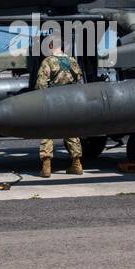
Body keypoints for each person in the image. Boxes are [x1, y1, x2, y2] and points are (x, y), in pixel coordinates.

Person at [35, 45, 84, 177]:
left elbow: (41, 84)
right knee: (71, 131)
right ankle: (77, 165)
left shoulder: (48, 61)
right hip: (70, 101)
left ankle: (46, 167)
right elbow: (79, 82)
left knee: (48, 131)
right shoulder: (73, 61)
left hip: (52, 102)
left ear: (50, 46)